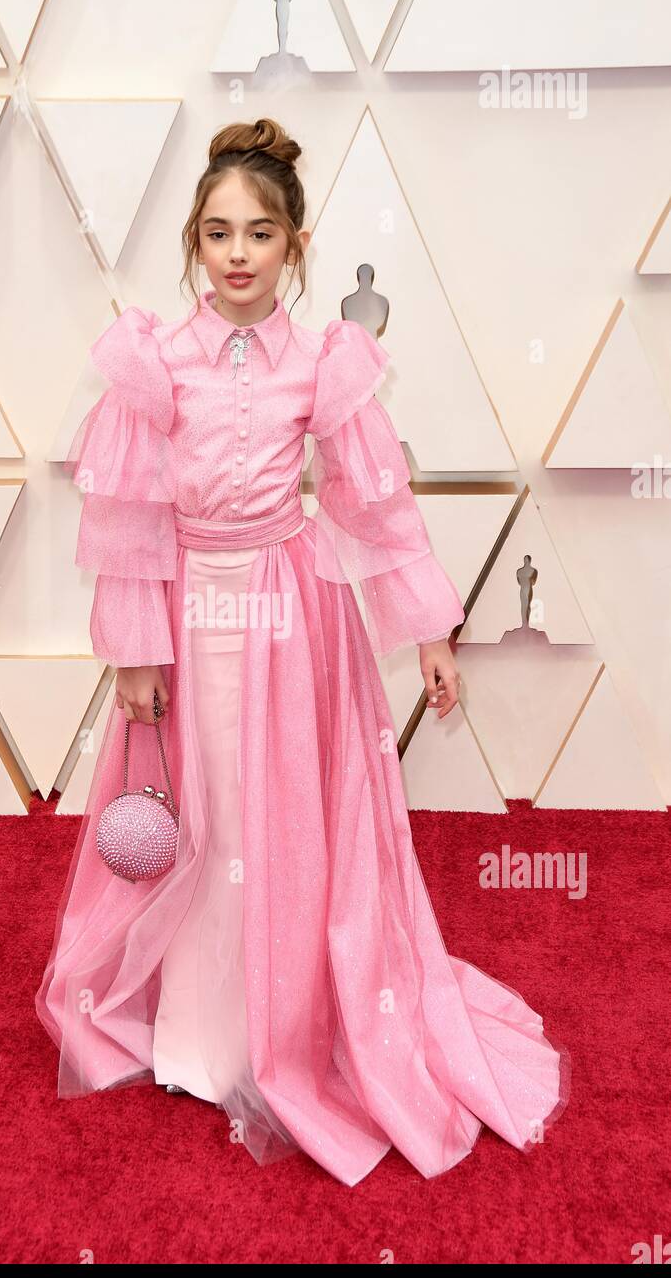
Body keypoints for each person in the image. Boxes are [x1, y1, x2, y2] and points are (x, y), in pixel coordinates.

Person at [36, 117, 570, 1187]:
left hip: (289, 617)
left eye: (261, 234)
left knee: (282, 814)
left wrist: (425, 628)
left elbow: (373, 508)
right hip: (187, 614)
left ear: (295, 245)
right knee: (207, 809)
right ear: (193, 239)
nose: (237, 254)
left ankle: (278, 1031)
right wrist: (134, 651)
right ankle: (193, 1028)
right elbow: (130, 520)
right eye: (219, 232)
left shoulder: (323, 364)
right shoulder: (155, 359)